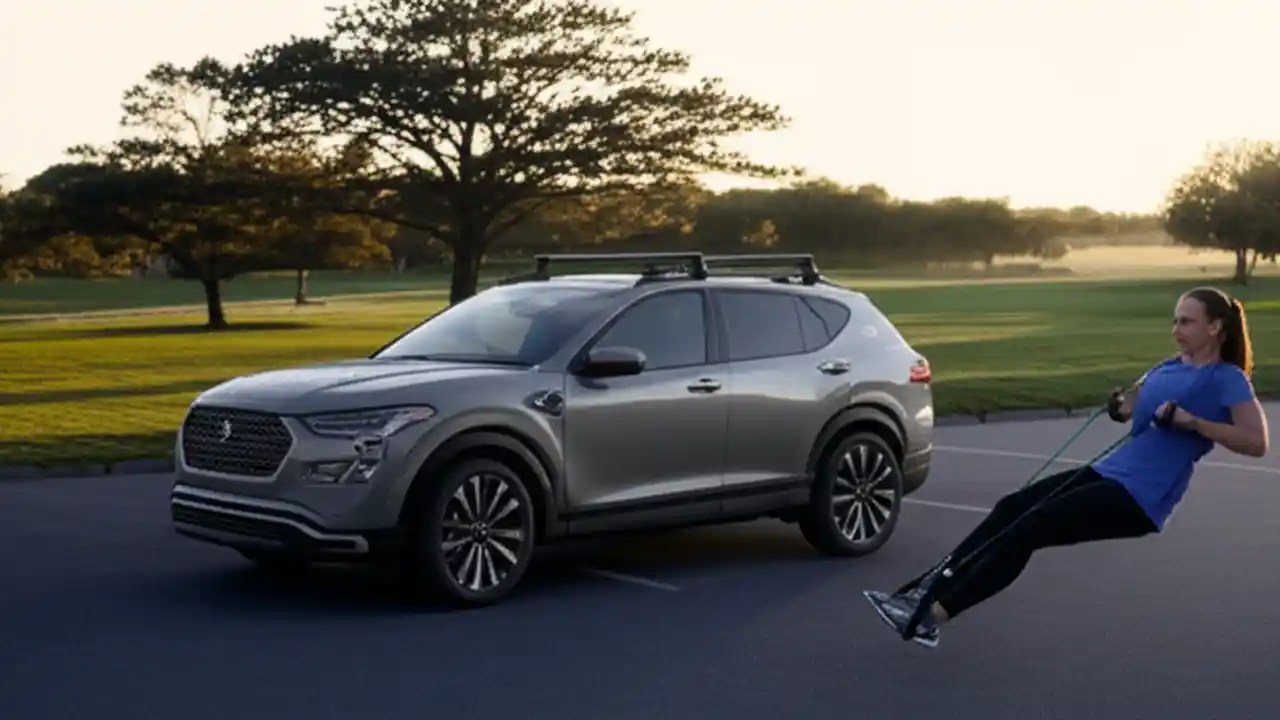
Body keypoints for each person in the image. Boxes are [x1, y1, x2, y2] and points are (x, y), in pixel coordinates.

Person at [866, 286, 1270, 648]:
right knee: (1011, 508)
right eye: (1175, 320)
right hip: (1110, 472)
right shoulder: (1168, 366)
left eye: (1187, 321)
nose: (1176, 328)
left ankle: (933, 615)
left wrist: (1194, 422)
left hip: (1141, 497)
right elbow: (1136, 412)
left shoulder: (1227, 379)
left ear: (1215, 327)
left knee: (1031, 527)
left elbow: (1257, 443)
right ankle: (922, 592)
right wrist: (1122, 408)